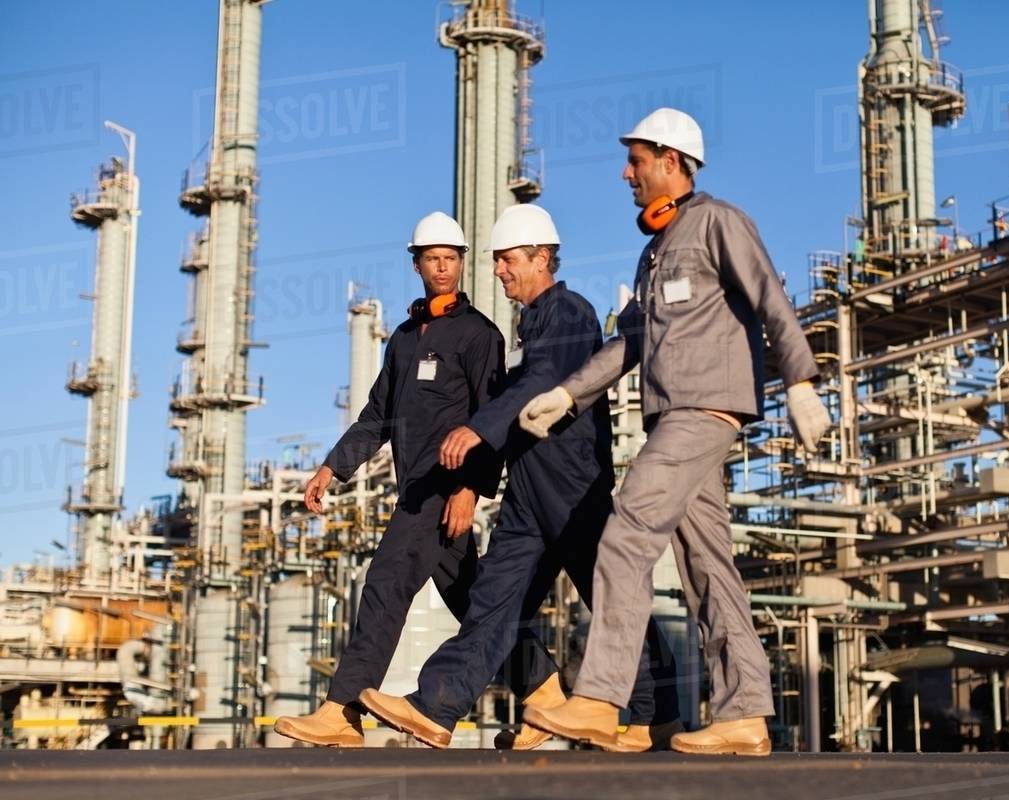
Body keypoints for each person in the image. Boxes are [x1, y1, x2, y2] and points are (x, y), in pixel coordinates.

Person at [517, 108, 832, 756]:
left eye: (635, 160)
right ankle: (745, 713)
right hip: (671, 414)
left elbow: (770, 295)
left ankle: (601, 698)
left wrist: (800, 379)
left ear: (671, 160)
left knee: (627, 532)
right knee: (707, 565)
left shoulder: (718, 224)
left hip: (706, 408)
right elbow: (628, 340)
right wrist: (566, 395)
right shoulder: (652, 252)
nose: (626, 173)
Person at [357, 204, 681, 752]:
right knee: (493, 600)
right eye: (497, 260)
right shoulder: (535, 319)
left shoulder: (569, 311)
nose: (500, 270)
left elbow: (547, 379)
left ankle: (659, 711)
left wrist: (478, 429)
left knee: (608, 595)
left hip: (571, 481)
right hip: (530, 484)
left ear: (541, 257)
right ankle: (435, 707)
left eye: (507, 260)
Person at [273, 212, 557, 747]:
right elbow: (378, 413)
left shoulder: (479, 336)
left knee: (384, 586)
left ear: (462, 263)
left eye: (452, 258)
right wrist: (333, 467)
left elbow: (491, 416)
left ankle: (342, 711)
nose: (443, 267)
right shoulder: (404, 339)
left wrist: (470, 489)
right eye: (433, 258)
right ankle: (544, 691)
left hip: (442, 490)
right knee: (474, 600)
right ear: (418, 264)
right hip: (415, 488)